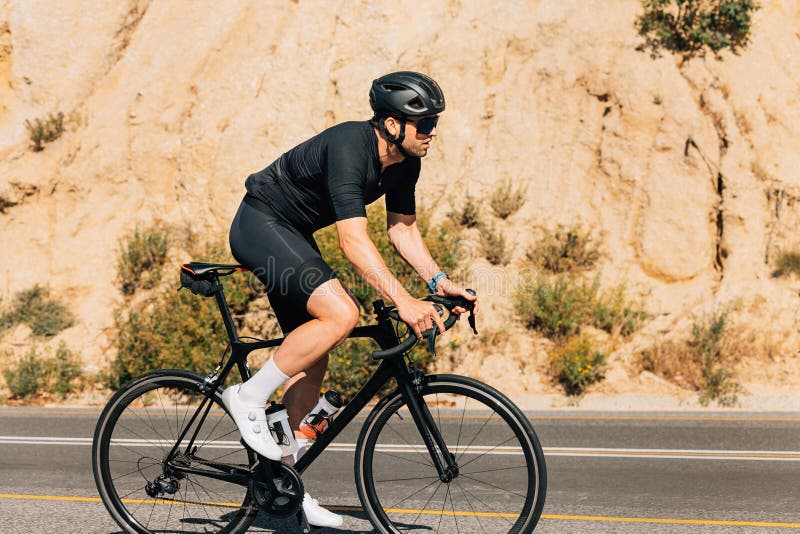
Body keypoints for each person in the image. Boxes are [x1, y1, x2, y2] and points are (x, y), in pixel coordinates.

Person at [224, 71, 479, 528]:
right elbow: (352, 240)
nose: (433, 132)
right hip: (260, 224)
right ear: (392, 125)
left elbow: (402, 229)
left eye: (435, 121)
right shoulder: (349, 146)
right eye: (425, 124)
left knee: (315, 355)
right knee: (342, 312)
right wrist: (403, 300)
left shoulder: (406, 164)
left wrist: (439, 282)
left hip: (293, 235)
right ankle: (246, 397)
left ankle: (284, 488)